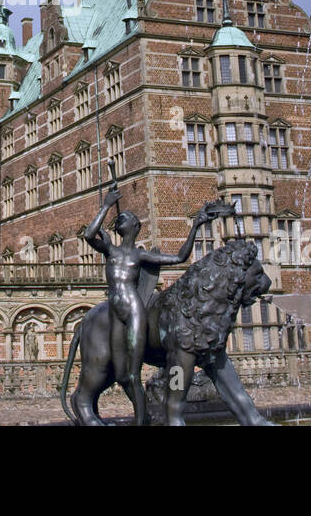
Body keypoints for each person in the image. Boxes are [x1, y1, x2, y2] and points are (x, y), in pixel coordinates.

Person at [82, 160, 212, 426]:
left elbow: (179, 257)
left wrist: (196, 226)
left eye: (125, 218)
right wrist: (107, 204)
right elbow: (89, 234)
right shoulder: (111, 250)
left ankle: (141, 422)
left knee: (132, 373)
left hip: (132, 309)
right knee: (120, 376)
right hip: (115, 311)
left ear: (134, 227)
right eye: (121, 217)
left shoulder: (140, 255)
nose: (122, 218)